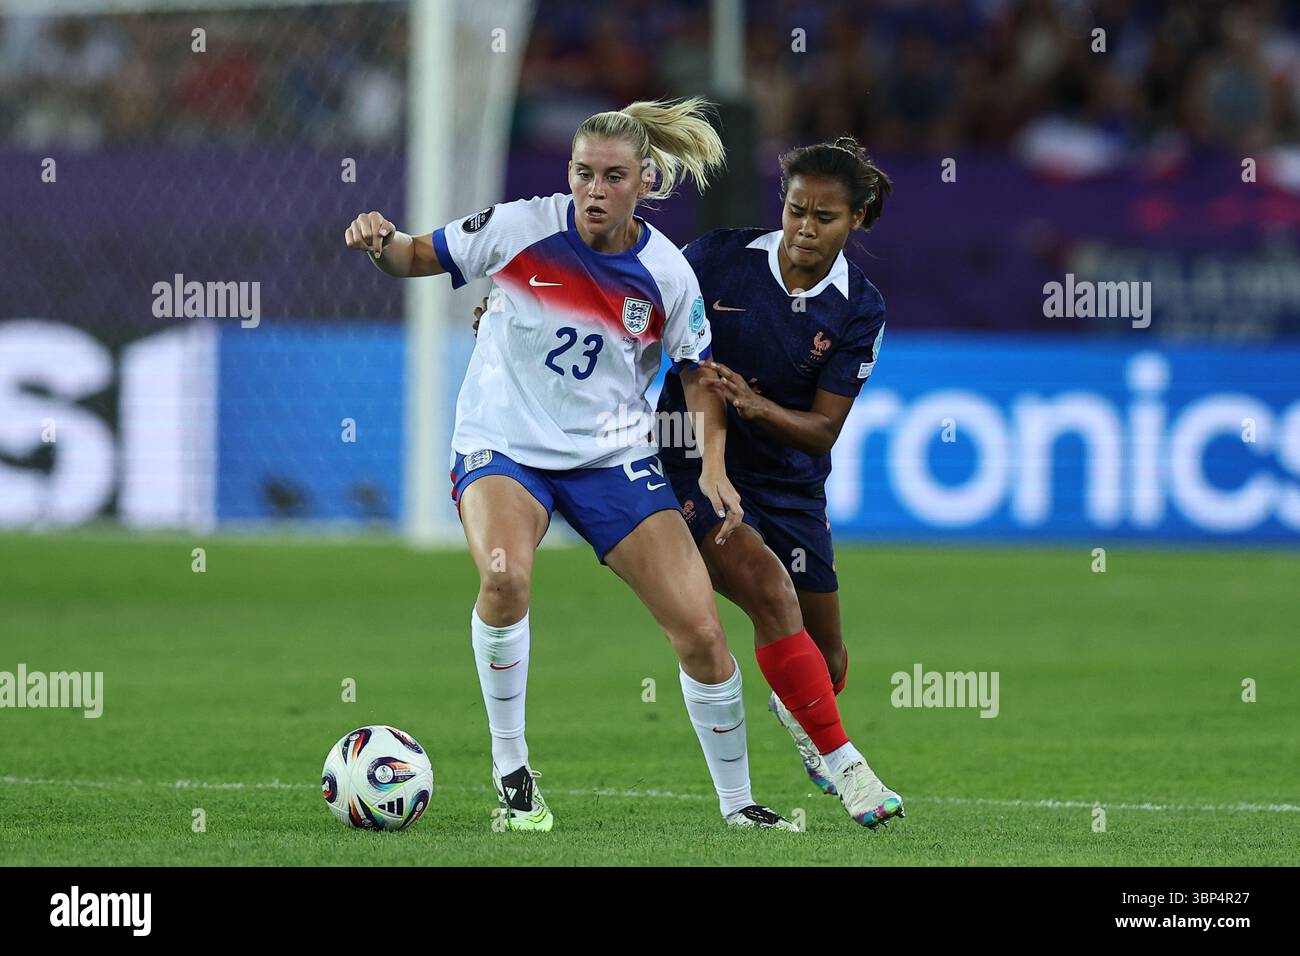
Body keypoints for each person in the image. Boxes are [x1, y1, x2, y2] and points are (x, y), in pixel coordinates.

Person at [345, 98, 795, 832]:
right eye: (583, 173)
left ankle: (739, 805)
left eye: (612, 177)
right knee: (503, 575)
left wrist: (713, 464)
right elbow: (415, 256)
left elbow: (696, 374)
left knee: (703, 634)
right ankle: (513, 772)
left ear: (644, 181)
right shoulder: (521, 227)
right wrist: (379, 240)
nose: (593, 189)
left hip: (610, 456)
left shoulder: (666, 274)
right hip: (504, 442)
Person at [655, 135, 904, 829]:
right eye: (796, 210)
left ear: (855, 220)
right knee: (769, 589)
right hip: (694, 463)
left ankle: (801, 703)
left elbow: (824, 430)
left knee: (826, 657)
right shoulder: (717, 259)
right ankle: (850, 769)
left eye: (824, 218)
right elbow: (637, 308)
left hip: (791, 481)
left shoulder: (860, 309)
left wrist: (758, 405)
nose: (804, 229)